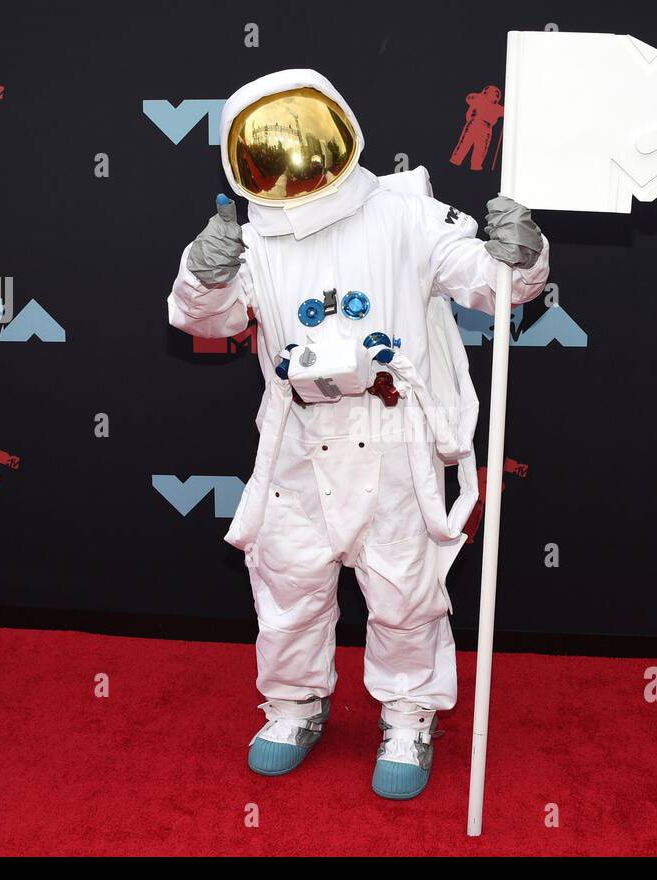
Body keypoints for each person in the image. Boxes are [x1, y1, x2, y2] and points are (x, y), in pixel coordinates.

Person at [167, 68, 548, 799]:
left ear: (340, 131)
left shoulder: (404, 212)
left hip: (394, 432)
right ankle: (293, 705)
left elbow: (488, 284)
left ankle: (407, 715)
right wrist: (203, 275)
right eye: (268, 150)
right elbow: (201, 320)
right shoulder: (256, 240)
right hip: (299, 440)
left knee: (405, 589)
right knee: (288, 584)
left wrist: (521, 256)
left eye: (306, 139)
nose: (294, 160)